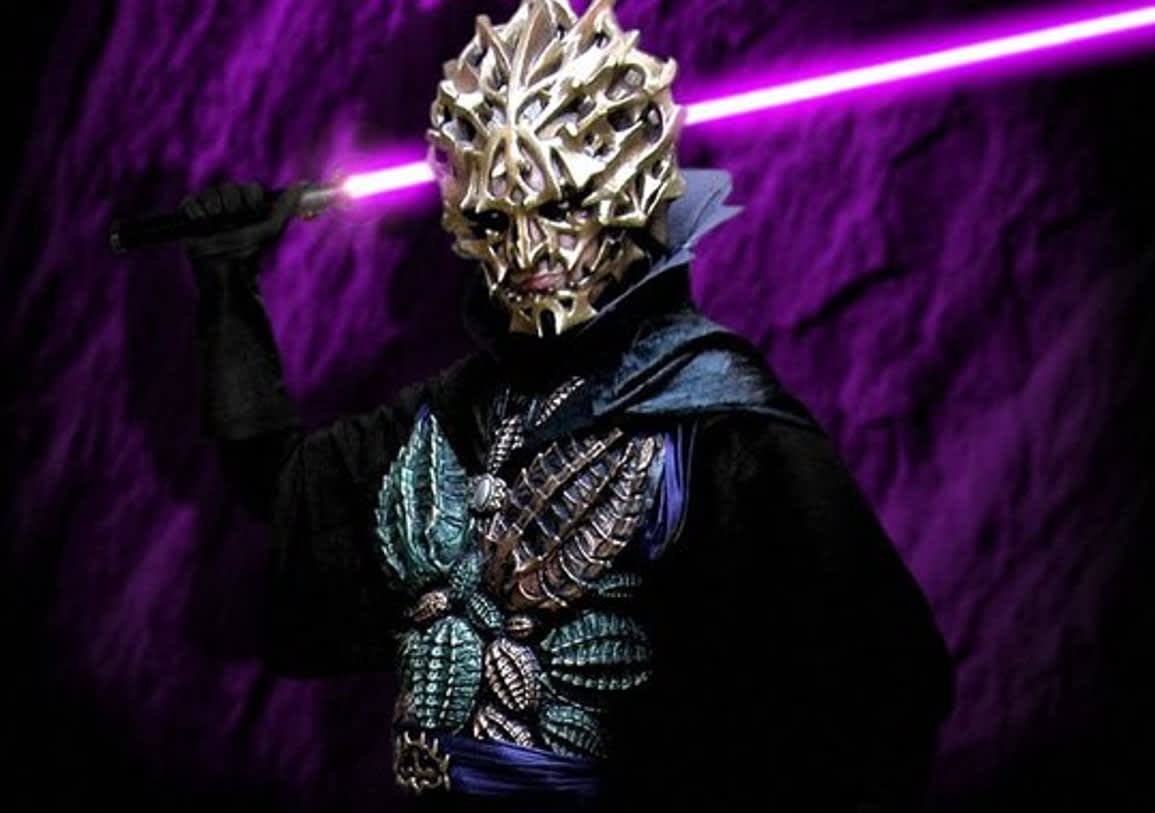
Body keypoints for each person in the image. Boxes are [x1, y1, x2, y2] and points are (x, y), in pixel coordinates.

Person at [183, 0, 954, 810]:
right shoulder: (463, 412)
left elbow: (889, 689)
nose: (525, 253)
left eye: (555, 210)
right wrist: (228, 288)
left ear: (626, 191)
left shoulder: (719, 426)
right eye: (494, 220)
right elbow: (288, 491)